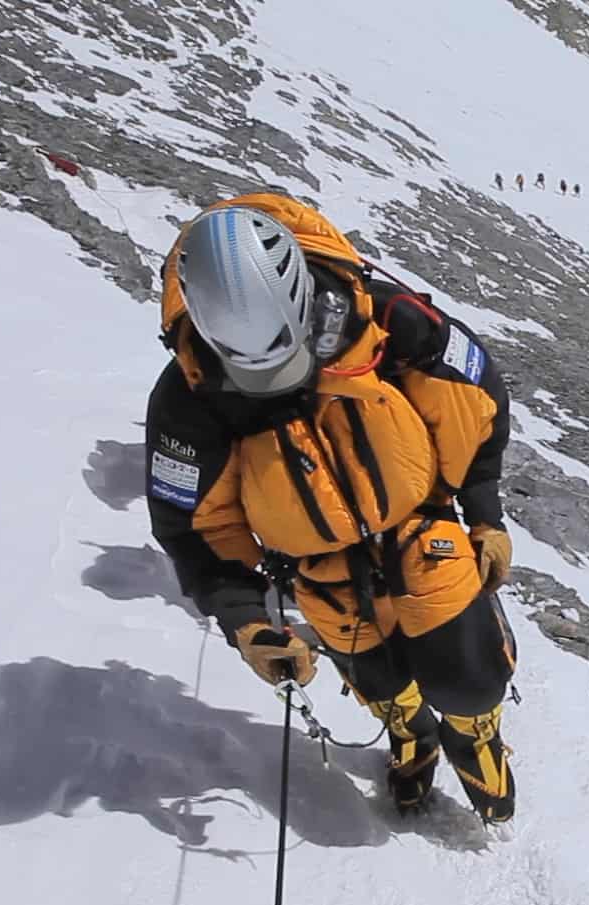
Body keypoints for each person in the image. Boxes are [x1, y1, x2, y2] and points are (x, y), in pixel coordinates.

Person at [146, 194, 518, 824]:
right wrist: (247, 621)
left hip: (419, 523)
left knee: (468, 674)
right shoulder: (190, 395)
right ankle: (411, 734)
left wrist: (484, 515)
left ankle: (473, 734)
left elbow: (474, 403)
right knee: (374, 675)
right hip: (313, 564)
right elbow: (194, 526)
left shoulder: (387, 319)